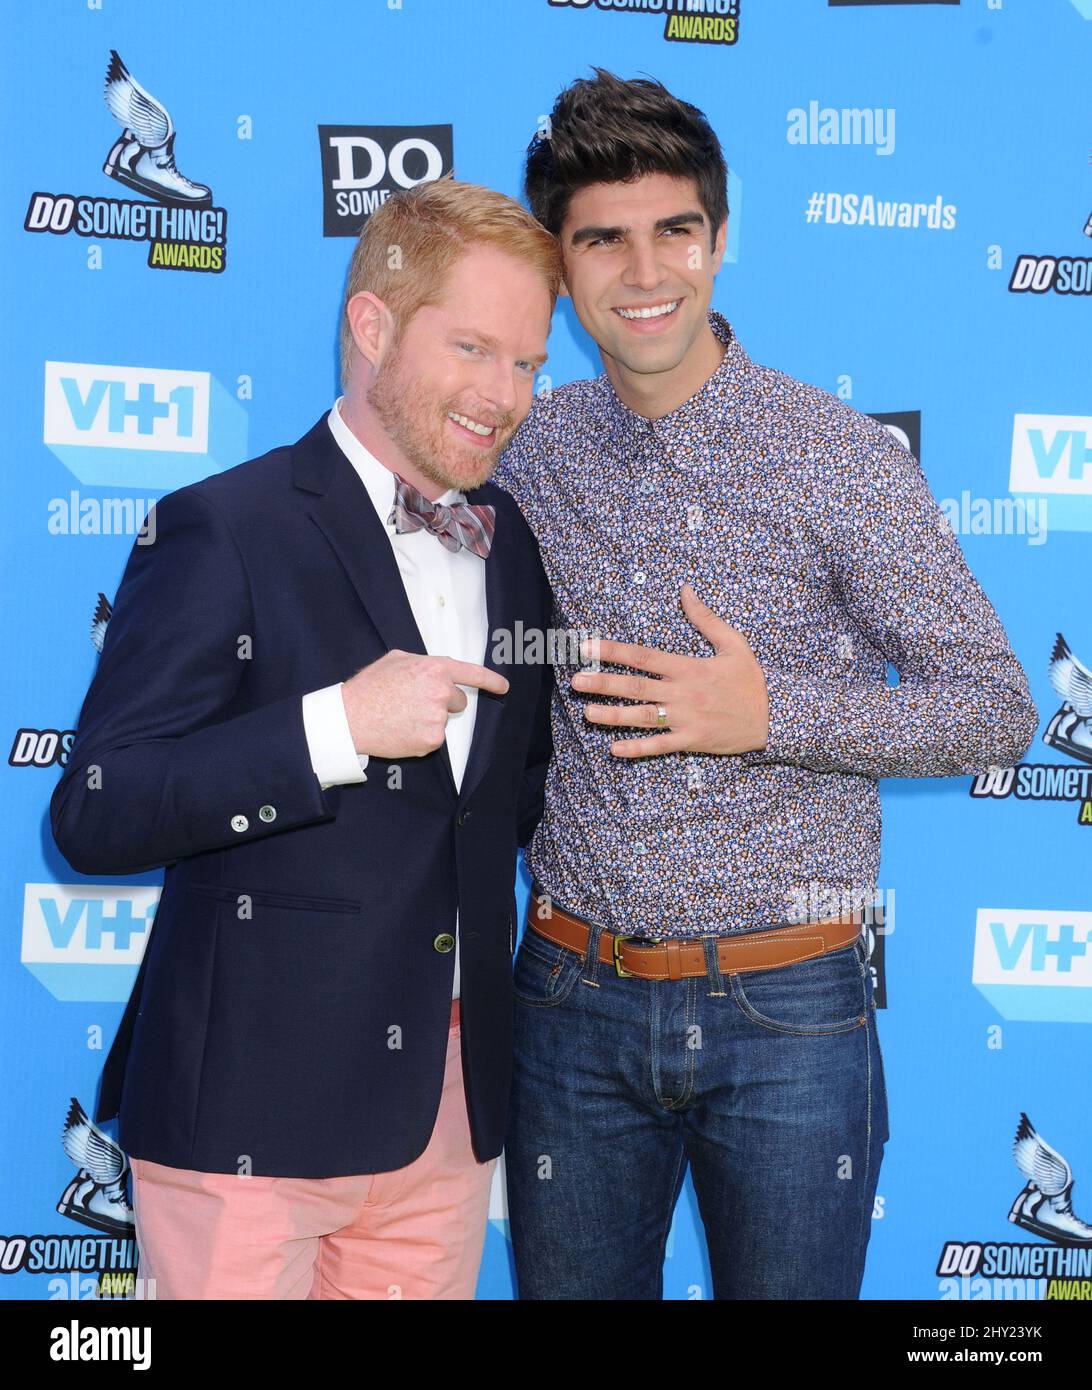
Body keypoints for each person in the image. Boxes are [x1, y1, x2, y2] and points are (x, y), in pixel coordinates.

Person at [492, 69, 1039, 1301]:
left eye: (675, 231)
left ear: (722, 239)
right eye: (605, 240)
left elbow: (996, 703)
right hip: (570, 1000)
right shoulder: (523, 446)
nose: (646, 273)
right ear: (560, 264)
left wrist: (772, 716)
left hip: (791, 1008)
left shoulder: (837, 455)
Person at [50, 178, 560, 1300]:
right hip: (247, 1115)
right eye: (473, 348)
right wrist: (332, 727)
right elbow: (95, 806)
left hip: (446, 1115)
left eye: (527, 361)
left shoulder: (511, 542)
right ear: (371, 327)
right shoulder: (224, 526)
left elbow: (505, 798)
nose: (506, 394)